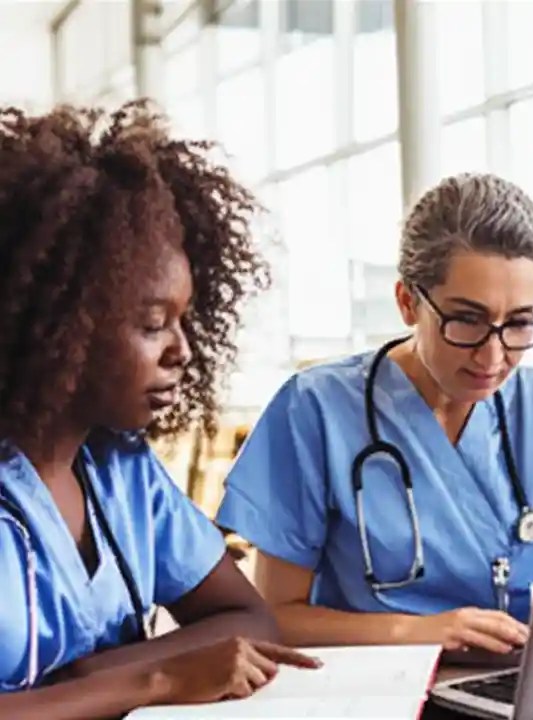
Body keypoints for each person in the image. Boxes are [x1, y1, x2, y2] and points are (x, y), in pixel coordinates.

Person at [216, 172, 533, 655]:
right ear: (407, 302)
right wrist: (417, 632)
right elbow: (274, 616)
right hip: (385, 689)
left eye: (519, 323)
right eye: (466, 319)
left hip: (527, 684)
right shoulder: (316, 409)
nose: (493, 357)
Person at [0, 102, 319, 716]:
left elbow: (247, 616)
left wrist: (90, 675)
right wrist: (155, 678)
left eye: (184, 319)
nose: (183, 351)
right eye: (153, 325)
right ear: (63, 327)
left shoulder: (121, 470)